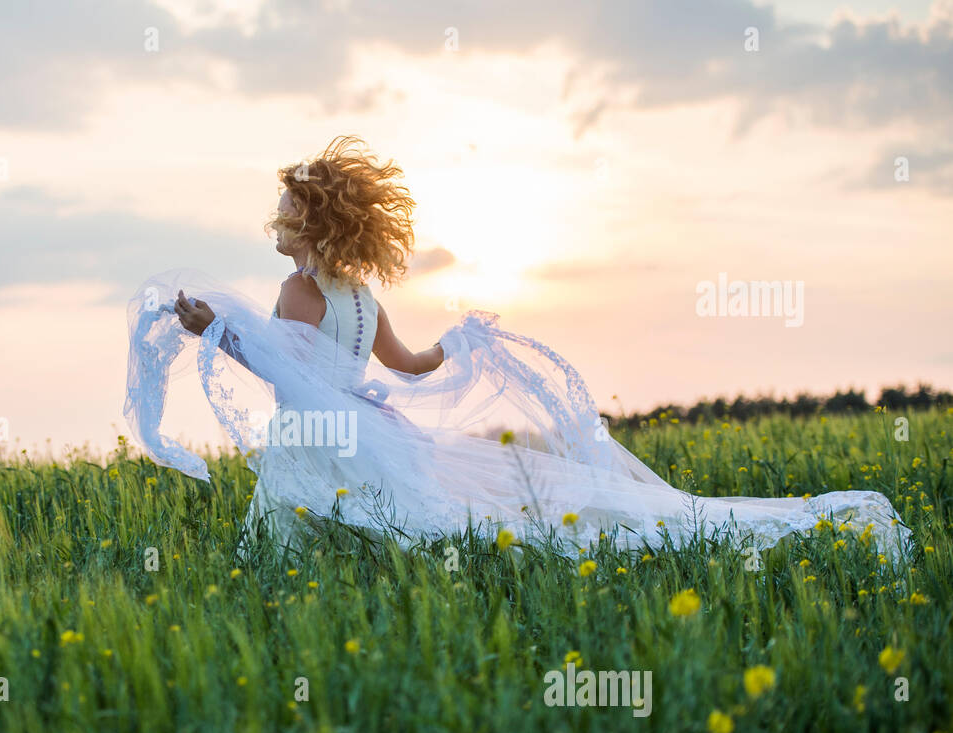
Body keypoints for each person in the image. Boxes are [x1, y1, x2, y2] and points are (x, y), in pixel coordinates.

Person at [127, 137, 910, 561]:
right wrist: (459, 347)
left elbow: (282, 371)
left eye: (290, 210)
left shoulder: (301, 294)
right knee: (392, 523)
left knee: (341, 533)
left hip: (321, 435)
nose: (280, 219)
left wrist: (211, 331)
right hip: (368, 425)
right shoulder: (365, 299)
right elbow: (409, 366)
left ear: (314, 224)